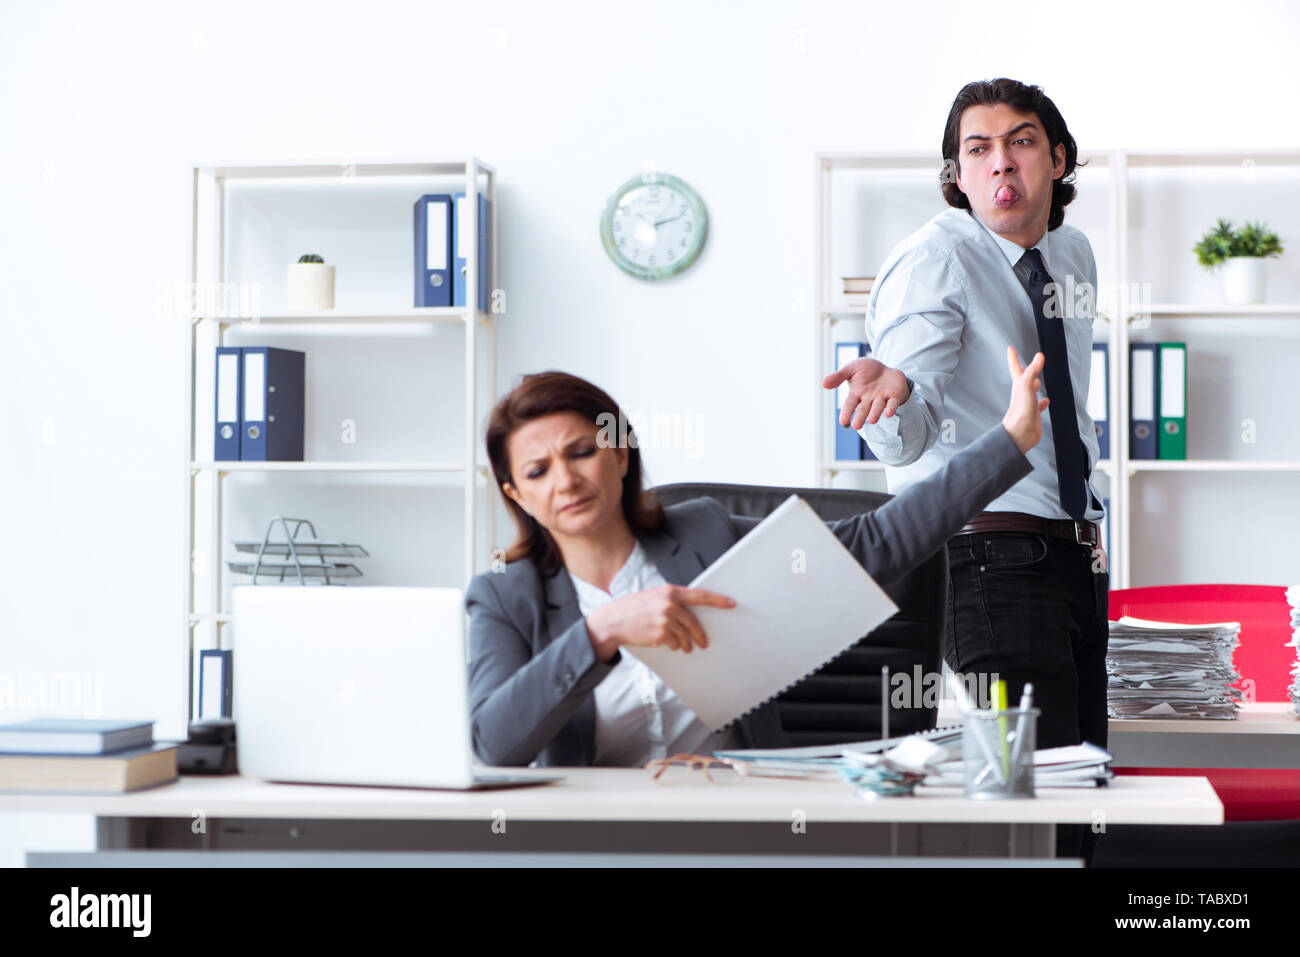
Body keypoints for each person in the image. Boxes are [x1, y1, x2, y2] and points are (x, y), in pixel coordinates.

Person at [466, 351, 1047, 768]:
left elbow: (875, 544)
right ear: (516, 494)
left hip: (739, 821)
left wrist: (1009, 440)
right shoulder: (503, 597)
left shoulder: (705, 533)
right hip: (592, 842)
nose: (565, 480)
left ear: (619, 455)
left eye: (582, 452)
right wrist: (602, 630)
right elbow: (494, 742)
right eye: (538, 471)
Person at [822, 78, 1107, 858]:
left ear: (1055, 158)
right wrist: (890, 394)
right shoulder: (936, 260)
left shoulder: (1071, 253)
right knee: (1026, 804)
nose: (998, 164)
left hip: (1074, 557)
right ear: (956, 174)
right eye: (975, 150)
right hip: (987, 559)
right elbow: (909, 438)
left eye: (1018, 141)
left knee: (1080, 793)